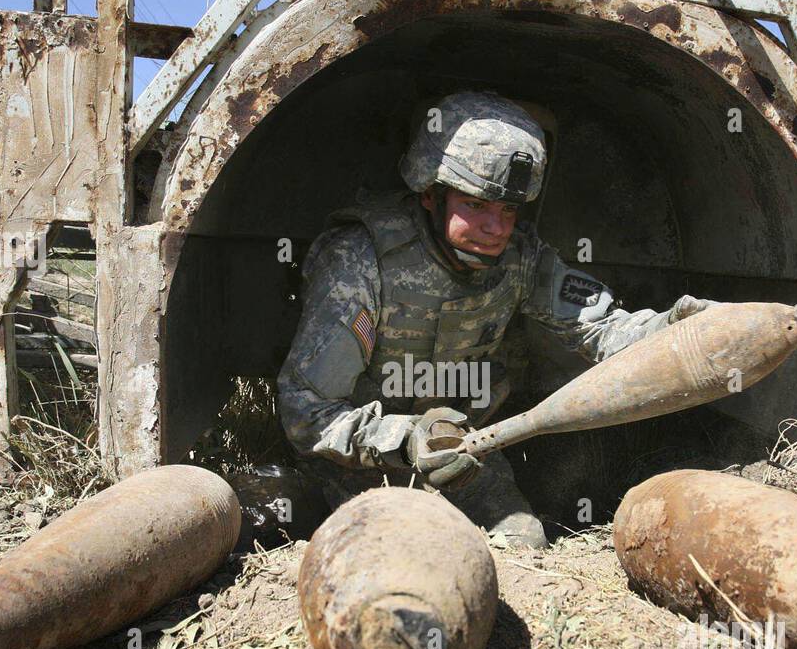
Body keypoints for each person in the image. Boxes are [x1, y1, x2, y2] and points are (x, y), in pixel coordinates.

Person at [277, 91, 713, 548]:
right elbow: (309, 412)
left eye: (509, 209)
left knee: (524, 542)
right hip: (356, 463)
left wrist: (673, 329)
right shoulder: (361, 259)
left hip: (465, 458)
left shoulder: (521, 259)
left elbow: (600, 326)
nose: (497, 227)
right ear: (431, 195)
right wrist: (405, 439)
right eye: (477, 205)